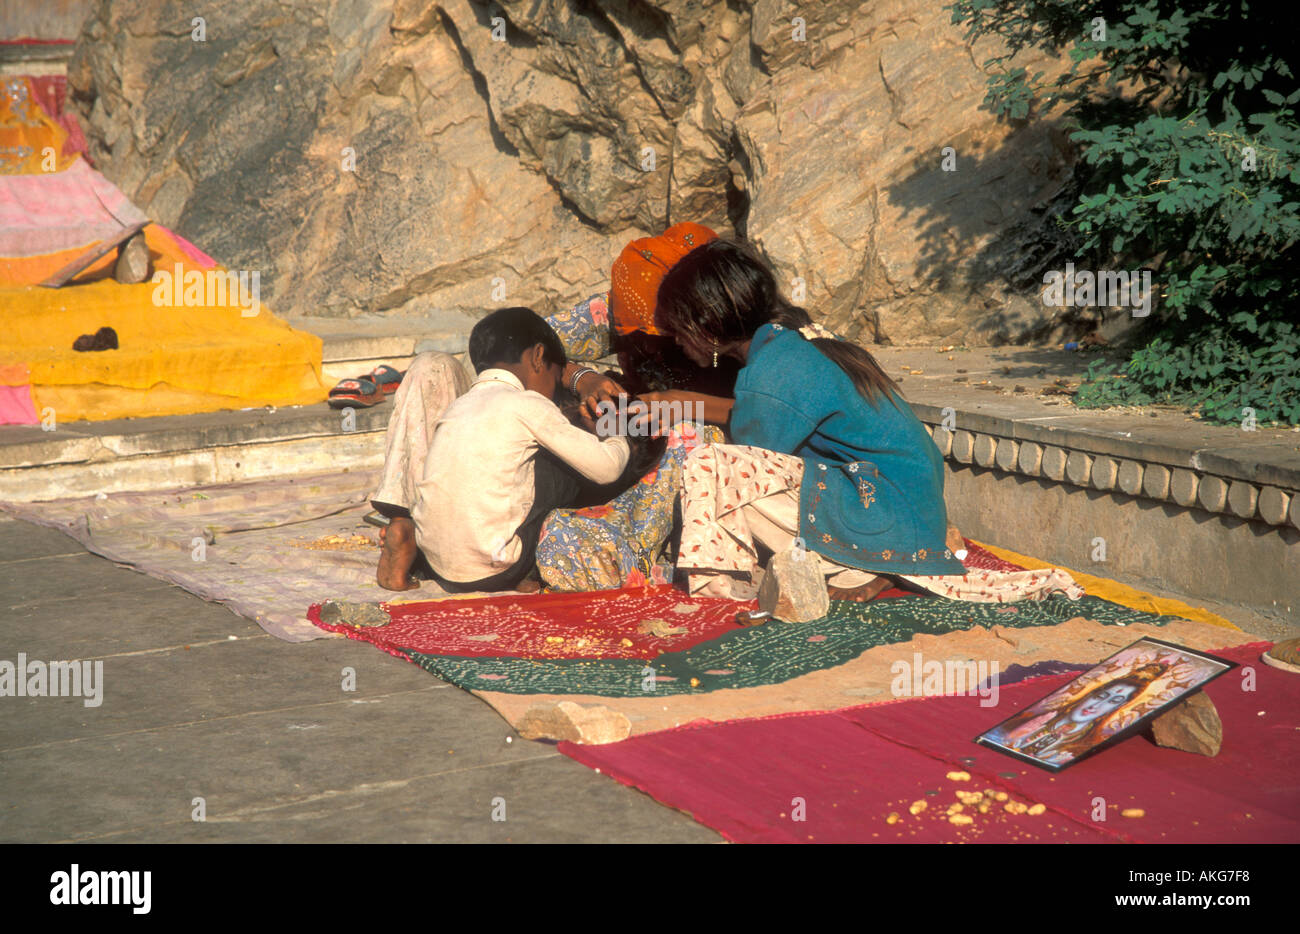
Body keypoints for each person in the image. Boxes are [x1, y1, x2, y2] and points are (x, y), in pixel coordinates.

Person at [656, 238, 1082, 603]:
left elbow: (748, 455)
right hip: (908, 509)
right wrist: (676, 400)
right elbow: (761, 417)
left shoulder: (775, 370)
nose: (676, 340)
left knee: (709, 465)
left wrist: (677, 412)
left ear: (708, 327)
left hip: (883, 516)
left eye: (678, 330)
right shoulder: (796, 339)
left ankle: (726, 588)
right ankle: (856, 564)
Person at [377, 307, 629, 592]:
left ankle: (407, 532)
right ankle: (529, 568)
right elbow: (608, 469)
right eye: (556, 376)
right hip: (498, 569)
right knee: (563, 468)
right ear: (537, 356)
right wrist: (613, 431)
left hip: (438, 565)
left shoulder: (457, 407)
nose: (553, 392)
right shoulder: (530, 404)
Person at [990, 664, 1165, 765]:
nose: (1098, 705)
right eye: (1101, 696)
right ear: (1090, 694)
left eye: (1113, 702)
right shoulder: (1037, 717)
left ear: (1116, 709)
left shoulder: (1085, 742)